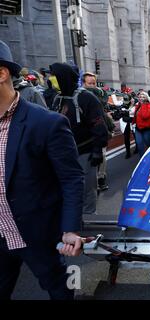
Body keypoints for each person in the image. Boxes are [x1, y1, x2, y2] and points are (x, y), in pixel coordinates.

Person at [0, 40, 87, 300]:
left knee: (60, 291)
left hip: (37, 234)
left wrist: (70, 229)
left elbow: (72, 178)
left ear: (2, 74)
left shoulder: (46, 123)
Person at [50, 62, 109, 215]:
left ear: (65, 78)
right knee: (66, 188)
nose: (51, 79)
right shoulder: (58, 99)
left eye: (55, 77)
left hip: (84, 152)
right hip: (62, 154)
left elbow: (99, 125)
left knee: (86, 188)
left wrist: (97, 150)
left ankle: (88, 218)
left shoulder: (86, 99)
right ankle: (70, 218)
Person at [82, 72, 114, 192]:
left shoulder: (100, 95)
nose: (92, 86)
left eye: (94, 83)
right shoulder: (80, 97)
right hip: (86, 134)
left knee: (102, 157)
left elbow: (102, 114)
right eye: (89, 83)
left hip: (99, 131)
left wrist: (108, 123)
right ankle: (91, 183)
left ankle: (101, 179)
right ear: (84, 83)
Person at [133, 91, 150, 158]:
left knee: (148, 144)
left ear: (146, 98)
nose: (141, 98)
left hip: (147, 129)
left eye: (143, 97)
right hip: (138, 129)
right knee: (139, 144)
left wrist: (143, 105)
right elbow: (136, 115)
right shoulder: (138, 105)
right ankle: (142, 159)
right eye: (140, 97)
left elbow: (145, 116)